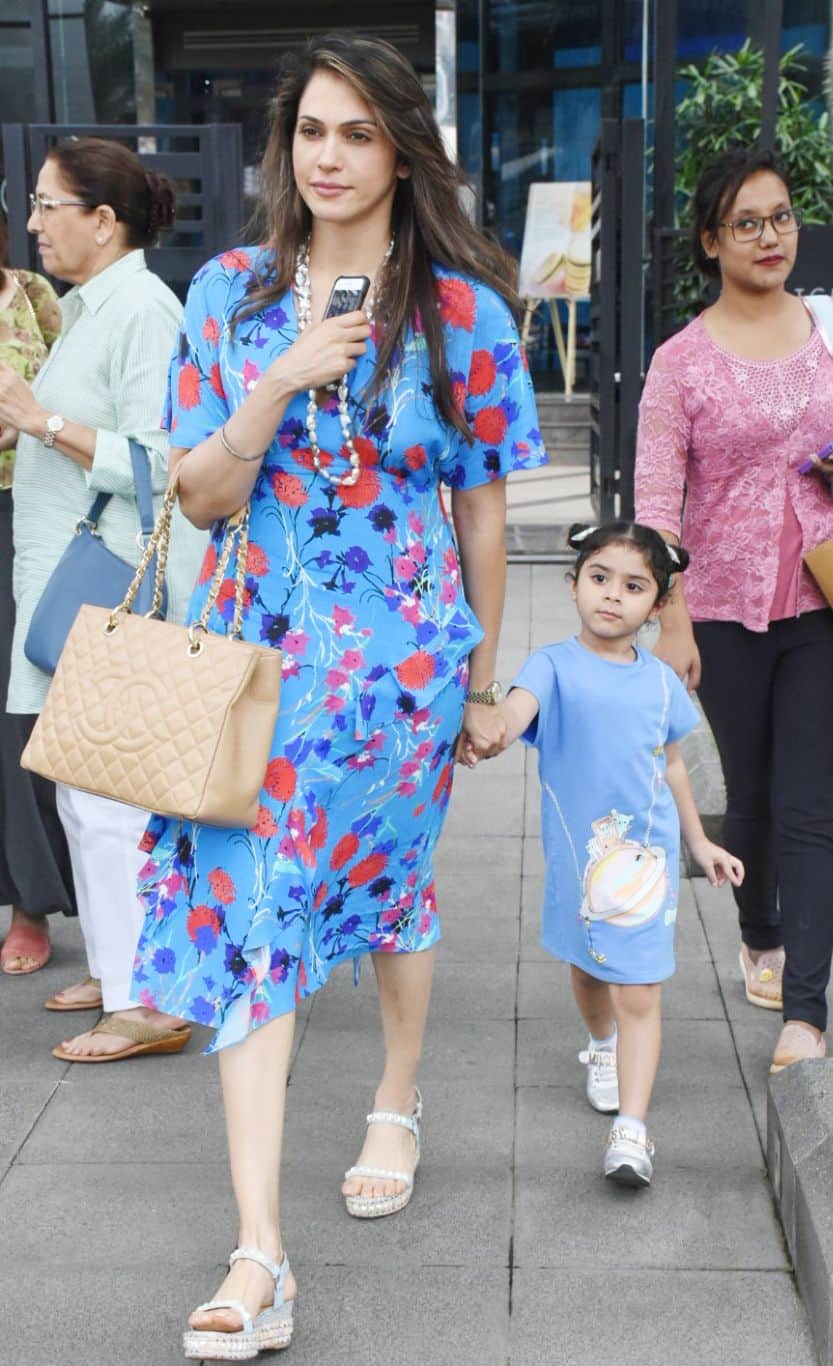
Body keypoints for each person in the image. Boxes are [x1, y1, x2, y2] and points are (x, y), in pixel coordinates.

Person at [129, 32, 545, 1358]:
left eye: (357, 132)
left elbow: (481, 505)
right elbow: (197, 496)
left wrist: (480, 678)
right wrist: (271, 385)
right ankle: (260, 1254)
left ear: (401, 149)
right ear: (284, 147)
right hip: (251, 660)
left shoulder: (463, 312)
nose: (328, 154)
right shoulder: (230, 294)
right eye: (311, 129)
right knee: (255, 920)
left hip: (400, 673)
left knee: (391, 893)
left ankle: (396, 1095)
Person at [635, 145, 833, 1075]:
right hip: (719, 607)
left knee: (807, 806)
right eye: (749, 223)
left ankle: (807, 1012)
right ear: (712, 240)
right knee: (751, 805)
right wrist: (669, 614)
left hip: (824, 600)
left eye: (784, 216)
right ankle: (758, 928)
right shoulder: (679, 363)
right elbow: (655, 499)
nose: (772, 237)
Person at [3, 137, 206, 1055]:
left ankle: (146, 999)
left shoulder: (143, 312)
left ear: (104, 220)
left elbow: (167, 459)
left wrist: (37, 418)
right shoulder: (92, 307)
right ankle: (120, 968)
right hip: (79, 584)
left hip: (115, 584)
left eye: (50, 204)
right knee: (87, 787)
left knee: (109, 795)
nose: (34, 221)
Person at [475, 521, 742, 1188]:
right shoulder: (552, 665)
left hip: (645, 864)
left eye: (634, 587)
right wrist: (491, 730)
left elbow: (672, 762)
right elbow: (514, 712)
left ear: (656, 606)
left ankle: (632, 1130)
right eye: (600, 579)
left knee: (640, 988)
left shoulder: (660, 684)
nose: (612, 597)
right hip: (580, 861)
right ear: (574, 586)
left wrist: (698, 839)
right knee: (590, 971)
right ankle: (601, 1047)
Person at [0, 216, 71, 975]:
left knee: (16, 714)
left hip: (16, 519)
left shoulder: (33, 297)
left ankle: (30, 903)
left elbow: (59, 403)